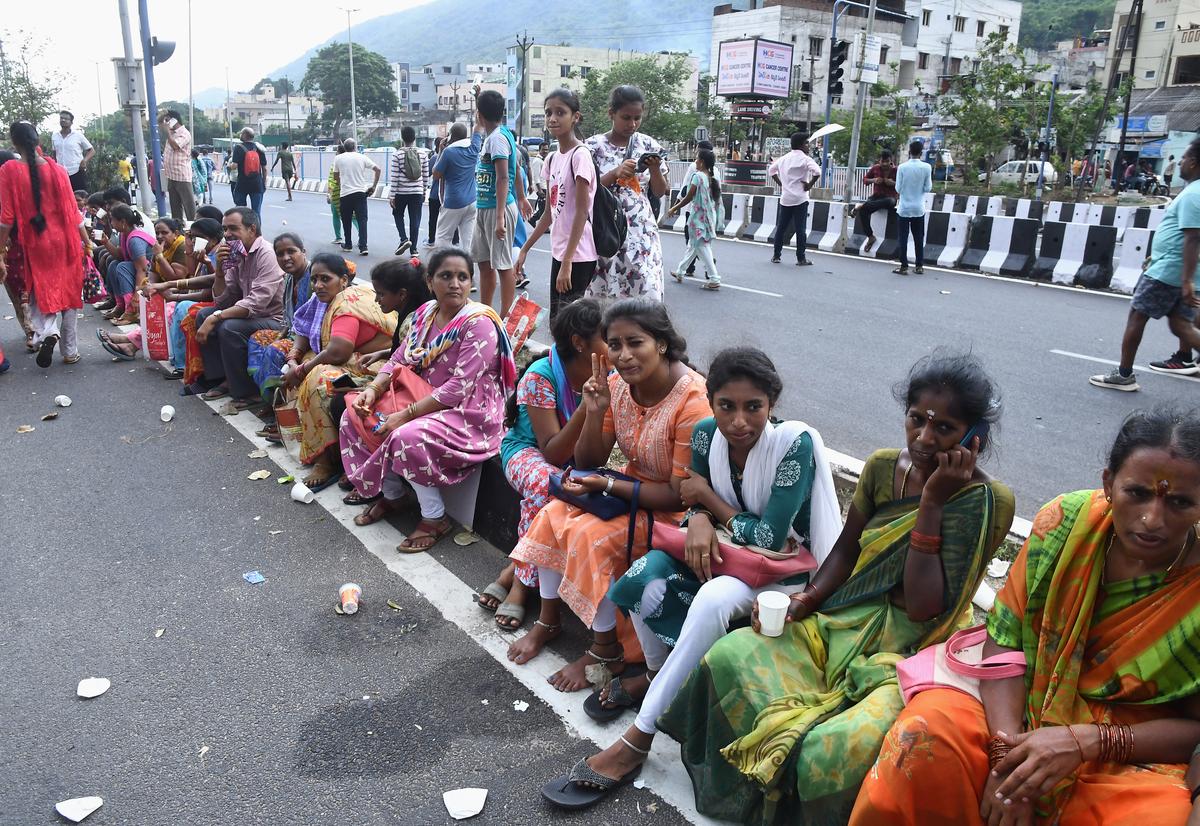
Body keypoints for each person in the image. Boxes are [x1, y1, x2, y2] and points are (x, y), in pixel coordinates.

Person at [658, 352, 1016, 825]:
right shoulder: (885, 468)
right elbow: (846, 552)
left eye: (945, 429)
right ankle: (740, 790)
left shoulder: (986, 501)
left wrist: (931, 504)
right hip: (845, 615)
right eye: (915, 421)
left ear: (975, 438)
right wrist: (805, 601)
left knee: (835, 745)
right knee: (732, 655)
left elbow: (926, 604)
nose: (925, 439)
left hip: (913, 645)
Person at [852, 408, 1200, 826]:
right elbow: (1005, 640)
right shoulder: (1065, 523)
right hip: (1017, 704)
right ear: (1108, 483)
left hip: (1126, 749)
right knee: (925, 735)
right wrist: (1006, 759)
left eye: (1179, 502)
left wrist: (1087, 742)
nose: (1152, 519)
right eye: (1137, 493)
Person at [541, 347, 843, 809]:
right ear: (712, 400)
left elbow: (770, 536)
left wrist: (709, 505)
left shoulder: (794, 445)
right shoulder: (706, 435)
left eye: (753, 407)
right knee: (643, 576)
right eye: (726, 406)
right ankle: (661, 677)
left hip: (780, 573)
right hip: (722, 552)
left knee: (714, 600)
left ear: (772, 404)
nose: (739, 421)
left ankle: (637, 739)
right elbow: (694, 501)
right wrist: (700, 514)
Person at [507, 299, 712, 690]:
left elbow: (677, 496)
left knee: (589, 536)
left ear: (662, 344)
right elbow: (589, 460)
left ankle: (607, 651)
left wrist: (608, 484)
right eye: (614, 345)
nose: (624, 355)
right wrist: (594, 410)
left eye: (636, 343)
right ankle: (548, 621)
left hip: (671, 512)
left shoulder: (692, 400)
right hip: (627, 492)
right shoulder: (617, 386)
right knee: (551, 514)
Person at [340, 247, 516, 551]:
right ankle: (393, 496)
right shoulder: (425, 313)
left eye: (463, 277)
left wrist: (405, 414)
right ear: (430, 279)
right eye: (446, 276)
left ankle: (435, 519)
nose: (455, 284)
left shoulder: (479, 323)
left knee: (405, 436)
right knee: (354, 413)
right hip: (421, 396)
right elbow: (400, 357)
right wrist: (374, 389)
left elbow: (458, 388)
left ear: (472, 283)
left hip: (470, 412)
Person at [481, 298, 608, 632]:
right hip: (525, 451)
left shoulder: (613, 375)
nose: (620, 349)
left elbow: (593, 454)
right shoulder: (542, 375)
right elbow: (551, 451)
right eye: (611, 340)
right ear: (581, 343)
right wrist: (587, 408)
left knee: (577, 488)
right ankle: (523, 584)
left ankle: (513, 567)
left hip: (567, 460)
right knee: (547, 485)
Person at [1091, 137, 1200, 391]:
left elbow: (1193, 238)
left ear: (1193, 163)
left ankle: (1124, 374)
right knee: (1180, 325)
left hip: (1168, 272)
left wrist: (1184, 280)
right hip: (1172, 266)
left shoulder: (1194, 194)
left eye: (1183, 159)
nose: (1180, 162)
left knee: (1137, 316)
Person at [282, 253, 396, 490]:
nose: (318, 285)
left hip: (372, 367)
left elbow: (338, 352)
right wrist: (294, 360)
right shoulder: (319, 301)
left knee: (317, 379)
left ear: (343, 280)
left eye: (326, 279)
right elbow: (303, 334)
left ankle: (327, 459)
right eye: (314, 280)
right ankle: (302, 433)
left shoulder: (346, 303)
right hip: (350, 359)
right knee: (295, 366)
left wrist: (303, 369)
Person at [0, 121, 87, 368]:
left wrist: (0, 250)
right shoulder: (58, 169)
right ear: (38, 141)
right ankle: (70, 351)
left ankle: (48, 331)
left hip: (36, 244)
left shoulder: (9, 170)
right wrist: (88, 242)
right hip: (66, 240)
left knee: (40, 292)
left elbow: (6, 219)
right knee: (69, 294)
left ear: (15, 143)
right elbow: (74, 212)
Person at [99, 217, 223, 375]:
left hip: (197, 295)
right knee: (160, 302)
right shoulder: (171, 247)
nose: (159, 236)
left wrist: (161, 258)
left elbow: (181, 278)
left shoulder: (210, 252)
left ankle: (132, 343)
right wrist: (149, 286)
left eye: (164, 232)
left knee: (173, 308)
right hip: (185, 291)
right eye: (157, 232)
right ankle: (132, 343)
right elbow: (154, 275)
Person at [516, 89, 598, 320]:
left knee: (569, 327)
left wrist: (568, 263)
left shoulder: (580, 155)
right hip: (560, 253)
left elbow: (582, 212)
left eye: (560, 112)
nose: (552, 118)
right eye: (548, 113)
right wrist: (525, 249)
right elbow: (549, 214)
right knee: (557, 320)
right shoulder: (552, 158)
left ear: (576, 117)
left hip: (578, 256)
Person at [191, 207, 285, 405]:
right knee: (203, 315)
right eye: (224, 229)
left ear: (252, 229)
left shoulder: (266, 254)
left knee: (229, 327)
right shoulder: (236, 254)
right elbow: (224, 300)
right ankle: (222, 378)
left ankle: (246, 391)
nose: (227, 234)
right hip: (251, 314)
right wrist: (219, 272)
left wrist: (216, 317)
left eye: (233, 228)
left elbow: (256, 303)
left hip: (273, 318)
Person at [586, 85, 669, 302]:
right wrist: (615, 173)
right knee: (603, 294)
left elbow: (660, 191)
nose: (632, 124)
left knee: (646, 290)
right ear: (611, 113)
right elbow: (585, 191)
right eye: (626, 117)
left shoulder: (648, 144)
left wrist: (654, 169)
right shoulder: (593, 147)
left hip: (641, 231)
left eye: (637, 118)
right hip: (606, 228)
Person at [472, 90, 530, 315]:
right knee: (484, 263)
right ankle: (485, 312)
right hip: (486, 207)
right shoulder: (499, 135)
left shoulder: (497, 138)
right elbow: (516, 168)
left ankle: (505, 316)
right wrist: (523, 196)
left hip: (498, 209)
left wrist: (499, 218)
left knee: (504, 265)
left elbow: (504, 175)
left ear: (479, 114)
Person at [244, 233, 314, 410]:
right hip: (292, 333)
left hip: (310, 338)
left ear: (303, 251)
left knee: (274, 350)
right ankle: (268, 394)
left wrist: (284, 341)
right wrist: (281, 335)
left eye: (291, 251)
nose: (286, 258)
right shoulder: (289, 277)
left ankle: (281, 408)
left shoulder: (314, 277)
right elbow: (288, 317)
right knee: (258, 338)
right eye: (280, 254)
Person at [668, 148, 721, 290]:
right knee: (693, 245)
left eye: (697, 159)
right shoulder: (711, 176)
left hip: (699, 217)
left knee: (702, 246)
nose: (695, 161)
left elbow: (689, 197)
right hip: (708, 216)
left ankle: (714, 278)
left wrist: (674, 208)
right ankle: (680, 271)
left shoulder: (697, 176)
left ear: (702, 162)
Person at [768, 131, 821, 267]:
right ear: (801, 145)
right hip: (800, 199)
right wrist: (809, 184)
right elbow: (817, 172)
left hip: (786, 198)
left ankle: (776, 255)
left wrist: (781, 184)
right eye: (807, 143)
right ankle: (801, 258)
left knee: (781, 227)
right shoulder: (805, 159)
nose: (809, 146)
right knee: (800, 229)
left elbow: (771, 171)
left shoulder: (784, 158)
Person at [97, 204, 155, 326]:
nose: (111, 223)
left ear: (122, 221)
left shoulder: (135, 239)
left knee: (122, 267)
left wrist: (137, 295)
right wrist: (106, 243)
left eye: (112, 220)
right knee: (114, 264)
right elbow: (120, 255)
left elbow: (142, 268)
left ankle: (132, 310)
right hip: (139, 269)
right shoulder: (124, 234)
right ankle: (121, 305)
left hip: (151, 272)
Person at [433, 123, 480, 250]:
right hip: (472, 201)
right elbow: (477, 131)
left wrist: (440, 151)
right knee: (468, 241)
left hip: (453, 201)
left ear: (451, 136)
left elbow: (436, 175)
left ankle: (451, 262)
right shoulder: (475, 147)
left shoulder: (448, 152)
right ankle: (467, 266)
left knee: (442, 239)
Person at [332, 139, 380, 257]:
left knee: (346, 220)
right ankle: (363, 246)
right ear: (355, 147)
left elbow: (335, 176)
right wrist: (373, 186)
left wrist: (342, 182)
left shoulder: (338, 158)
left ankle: (348, 244)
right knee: (362, 220)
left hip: (345, 194)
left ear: (345, 147)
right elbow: (377, 169)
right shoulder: (362, 157)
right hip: (360, 193)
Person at [390, 126, 432, 256]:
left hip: (401, 192)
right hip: (417, 192)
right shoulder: (423, 154)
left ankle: (403, 239)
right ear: (414, 138)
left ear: (402, 138)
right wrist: (424, 191)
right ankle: (414, 249)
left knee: (397, 215)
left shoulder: (397, 154)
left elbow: (395, 176)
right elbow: (426, 174)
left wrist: (392, 195)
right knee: (415, 219)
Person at [894, 140, 933, 276]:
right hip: (918, 208)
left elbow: (898, 188)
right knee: (918, 237)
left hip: (904, 208)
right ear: (921, 152)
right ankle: (919, 266)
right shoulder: (927, 167)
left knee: (903, 238)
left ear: (909, 152)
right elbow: (928, 188)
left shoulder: (902, 167)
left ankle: (904, 266)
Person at [848, 150, 898, 253]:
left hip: (890, 198)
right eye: (882, 161)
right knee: (863, 212)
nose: (884, 164)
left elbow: (903, 185)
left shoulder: (897, 170)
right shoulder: (875, 168)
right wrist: (873, 180)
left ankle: (862, 205)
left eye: (887, 162)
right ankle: (870, 236)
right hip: (876, 197)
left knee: (889, 201)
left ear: (891, 161)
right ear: (879, 160)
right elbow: (865, 180)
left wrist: (893, 183)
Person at [159, 110, 195, 221]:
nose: (166, 123)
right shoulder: (171, 132)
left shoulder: (184, 133)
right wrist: (162, 116)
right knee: (175, 206)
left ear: (174, 120)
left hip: (181, 175)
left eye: (168, 120)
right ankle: (177, 228)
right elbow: (158, 123)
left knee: (188, 205)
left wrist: (168, 133)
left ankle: (194, 226)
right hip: (171, 175)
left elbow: (175, 146)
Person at [51, 111, 95, 193]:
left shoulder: (78, 135)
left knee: (79, 197)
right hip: (61, 173)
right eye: (61, 118)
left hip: (76, 171)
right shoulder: (55, 136)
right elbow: (54, 153)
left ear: (71, 122)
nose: (63, 120)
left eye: (66, 119)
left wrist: (84, 160)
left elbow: (91, 150)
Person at [232, 128, 268, 217]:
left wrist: (229, 166)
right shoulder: (259, 148)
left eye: (241, 133)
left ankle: (241, 230)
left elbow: (234, 166)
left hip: (242, 183)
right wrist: (264, 183)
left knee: (240, 211)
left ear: (244, 135)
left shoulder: (238, 147)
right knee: (256, 212)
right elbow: (264, 168)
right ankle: (257, 230)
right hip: (257, 183)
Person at [425, 138, 444, 247]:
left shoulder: (434, 158)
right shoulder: (452, 156)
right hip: (447, 195)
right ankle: (455, 241)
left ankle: (431, 240)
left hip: (435, 195)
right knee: (451, 220)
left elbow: (427, 173)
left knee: (433, 219)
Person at [530, 141, 549, 225]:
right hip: (541, 187)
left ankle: (533, 220)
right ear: (539, 150)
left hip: (545, 186)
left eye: (547, 150)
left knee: (544, 208)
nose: (545, 151)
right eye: (543, 149)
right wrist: (540, 190)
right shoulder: (537, 161)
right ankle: (537, 222)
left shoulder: (543, 160)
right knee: (544, 209)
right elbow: (536, 177)